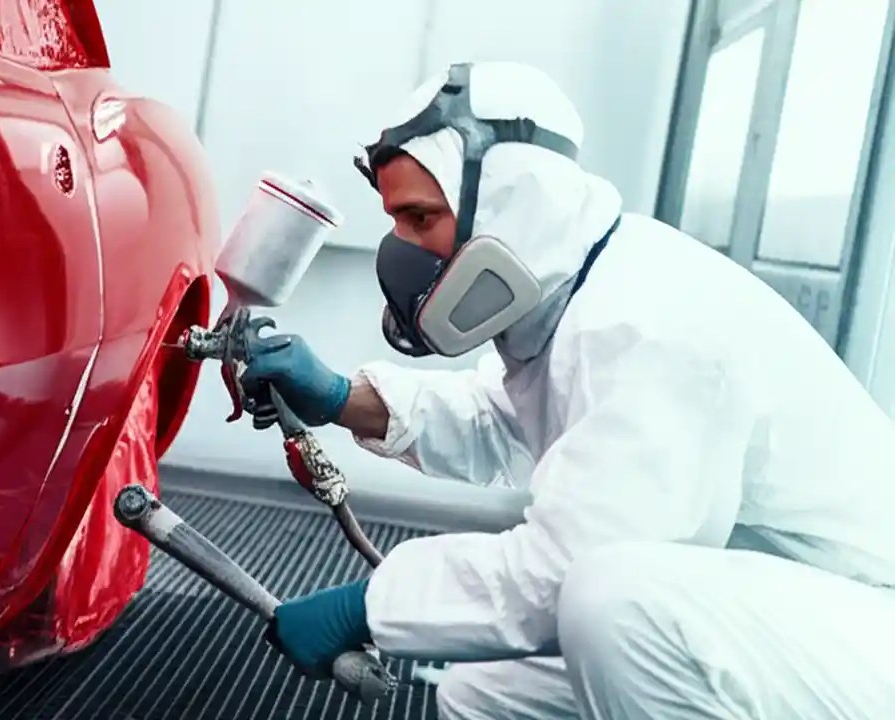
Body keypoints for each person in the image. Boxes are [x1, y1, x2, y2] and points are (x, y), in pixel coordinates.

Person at [241, 60, 895, 719]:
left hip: (864, 628)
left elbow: (560, 567)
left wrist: (364, 607)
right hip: (771, 614)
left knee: (612, 603)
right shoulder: (580, 292)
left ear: (510, 204)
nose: (403, 250)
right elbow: (498, 421)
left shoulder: (651, 327)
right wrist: (339, 397)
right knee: (482, 695)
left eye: (420, 218)